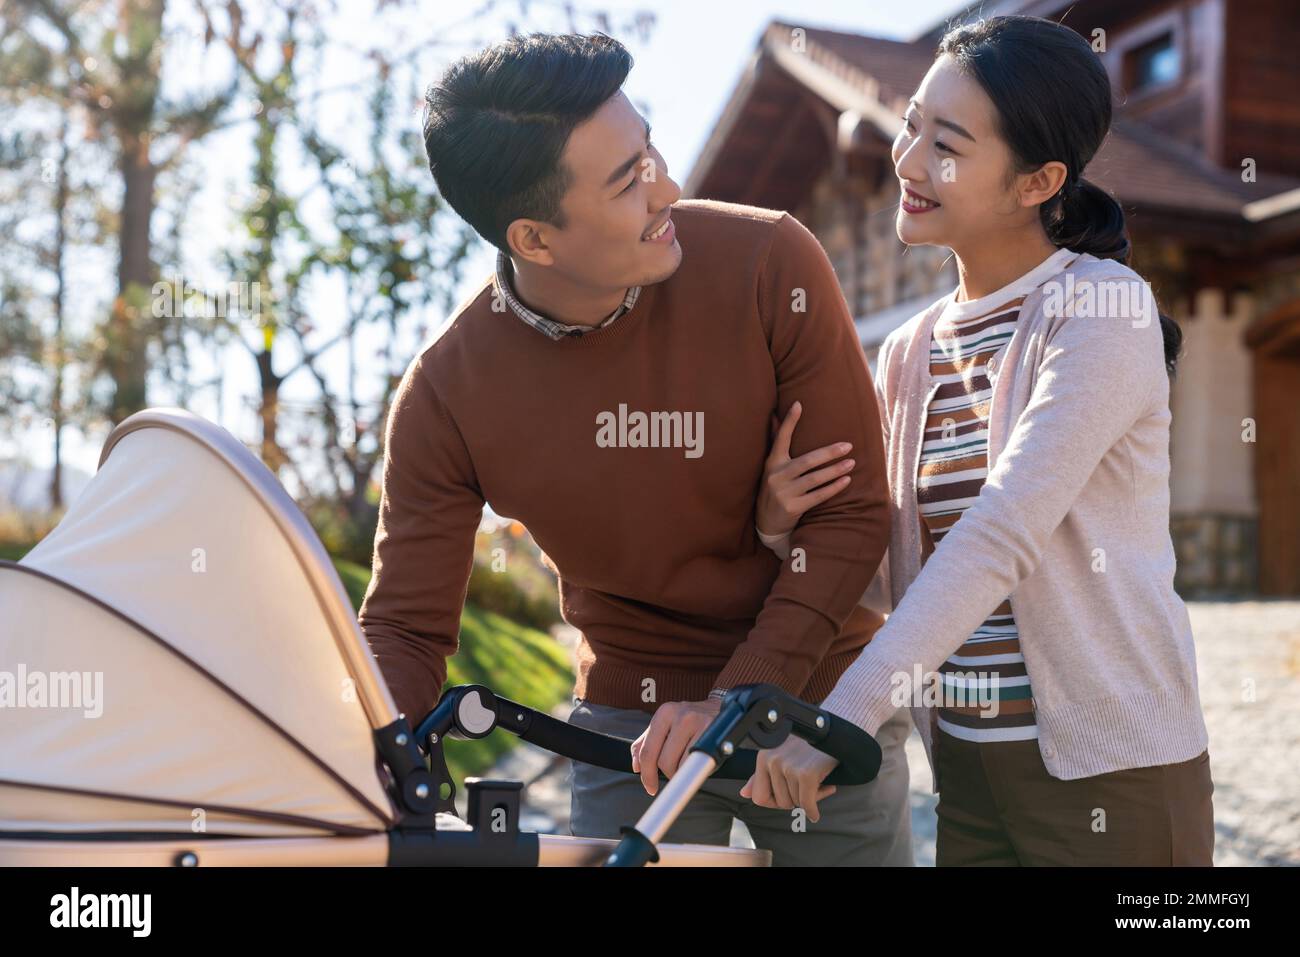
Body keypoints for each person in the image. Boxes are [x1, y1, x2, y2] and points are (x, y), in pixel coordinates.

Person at [358, 31, 913, 865]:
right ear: (534, 241)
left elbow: (850, 515)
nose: (671, 187)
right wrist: (346, 749)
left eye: (647, 149)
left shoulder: (771, 261)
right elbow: (403, 628)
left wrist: (737, 696)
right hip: (629, 724)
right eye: (628, 181)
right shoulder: (445, 394)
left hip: (814, 694)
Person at [742, 15, 1215, 866]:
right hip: (965, 767)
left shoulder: (1101, 308)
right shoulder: (911, 349)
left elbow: (1002, 528)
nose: (910, 160)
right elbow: (902, 577)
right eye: (915, 123)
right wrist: (783, 524)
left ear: (1037, 181)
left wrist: (842, 719)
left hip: (1112, 775)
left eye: (948, 144)